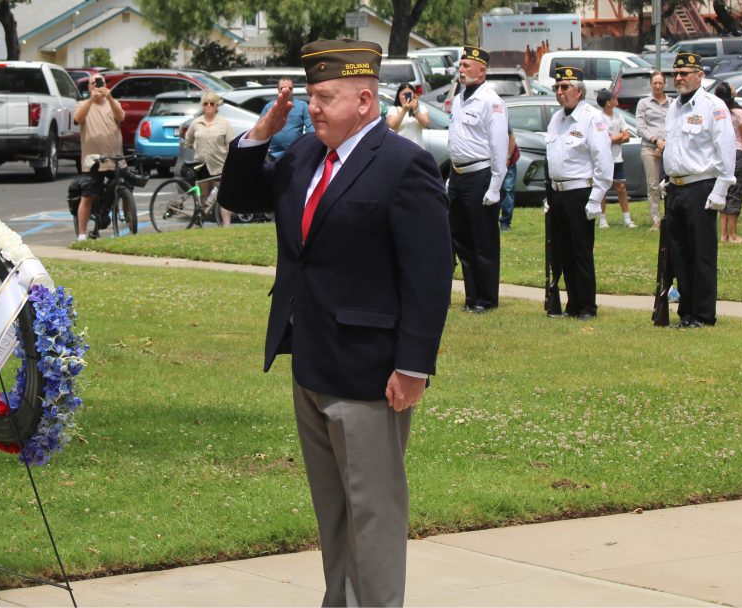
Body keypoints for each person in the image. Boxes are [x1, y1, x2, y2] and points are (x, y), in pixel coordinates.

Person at [218, 40, 452, 607]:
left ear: (365, 99)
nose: (312, 108)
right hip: (312, 361)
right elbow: (239, 194)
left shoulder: (403, 165)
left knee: (373, 513)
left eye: (324, 97)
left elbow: (429, 273)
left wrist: (413, 365)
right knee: (334, 512)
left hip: (371, 373)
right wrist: (261, 132)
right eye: (309, 97)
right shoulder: (302, 156)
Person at [662, 52, 736, 327]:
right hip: (677, 187)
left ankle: (704, 315)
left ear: (700, 75)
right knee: (680, 254)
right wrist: (667, 177)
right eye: (676, 73)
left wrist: (720, 189)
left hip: (701, 187)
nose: (679, 78)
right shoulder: (673, 107)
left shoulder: (712, 106)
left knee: (701, 254)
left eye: (685, 73)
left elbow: (726, 150)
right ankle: (687, 312)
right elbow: (674, 146)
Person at [544, 66, 613, 319]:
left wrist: (596, 198)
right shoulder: (556, 119)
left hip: (580, 192)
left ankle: (586, 306)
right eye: (557, 88)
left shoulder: (591, 119)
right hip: (558, 193)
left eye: (565, 87)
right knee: (562, 252)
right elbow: (552, 158)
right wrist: (550, 196)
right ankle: (572, 305)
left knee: (581, 252)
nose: (560, 93)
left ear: (579, 91)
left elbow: (603, 163)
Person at [447, 45, 508, 313]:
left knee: (483, 241)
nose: (461, 70)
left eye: (466, 66)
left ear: (482, 70)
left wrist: (495, 185)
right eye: (460, 66)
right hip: (458, 176)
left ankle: (487, 298)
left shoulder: (491, 101)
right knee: (462, 241)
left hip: (480, 176)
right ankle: (471, 297)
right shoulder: (460, 98)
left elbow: (498, 146)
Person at [73, 73, 124, 241]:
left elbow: (121, 117)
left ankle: (129, 225)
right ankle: (81, 234)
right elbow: (77, 118)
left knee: (125, 188)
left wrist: (109, 98)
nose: (96, 86)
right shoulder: (82, 104)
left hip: (115, 158)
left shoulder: (113, 103)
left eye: (99, 83)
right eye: (93, 83)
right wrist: (91, 100)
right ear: (89, 87)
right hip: (92, 161)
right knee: (87, 195)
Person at [712, 82, 742, 244]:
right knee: (736, 194)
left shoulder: (716, 112)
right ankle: (733, 235)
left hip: (721, 155)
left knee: (724, 192)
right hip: (738, 154)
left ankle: (723, 235)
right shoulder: (739, 113)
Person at [184, 90, 233, 227]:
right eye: (206, 104)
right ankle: (200, 222)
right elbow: (188, 140)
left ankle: (227, 226)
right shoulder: (196, 123)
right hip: (201, 165)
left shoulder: (224, 123)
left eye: (212, 103)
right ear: (202, 106)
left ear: (217, 106)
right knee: (203, 196)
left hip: (219, 165)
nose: (209, 106)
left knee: (224, 196)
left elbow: (231, 144)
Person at [595, 89, 635, 229]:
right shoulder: (598, 118)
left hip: (617, 158)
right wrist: (617, 137)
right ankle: (602, 219)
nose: (616, 99)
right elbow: (602, 139)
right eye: (614, 98)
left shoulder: (618, 116)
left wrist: (614, 138)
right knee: (603, 189)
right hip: (604, 159)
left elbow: (627, 135)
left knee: (621, 187)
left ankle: (627, 219)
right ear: (608, 102)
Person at [635, 70, 671, 230]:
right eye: (655, 83)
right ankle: (656, 220)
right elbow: (641, 128)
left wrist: (665, 144)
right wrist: (656, 142)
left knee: (672, 184)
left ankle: (671, 217)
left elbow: (675, 125)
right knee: (653, 185)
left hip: (668, 147)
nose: (657, 86)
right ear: (651, 84)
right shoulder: (643, 103)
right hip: (650, 147)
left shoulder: (673, 102)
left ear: (665, 84)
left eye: (660, 83)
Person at [261, 77, 314, 159]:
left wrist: (310, 145)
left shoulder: (302, 106)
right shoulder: (270, 107)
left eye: (290, 88)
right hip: (273, 155)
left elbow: (311, 127)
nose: (287, 91)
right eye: (283, 88)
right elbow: (261, 127)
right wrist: (263, 146)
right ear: (278, 89)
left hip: (295, 154)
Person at [385, 82, 430, 149]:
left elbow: (426, 124)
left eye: (409, 94)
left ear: (414, 95)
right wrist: (404, 110)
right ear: (398, 96)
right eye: (404, 94)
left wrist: (416, 109)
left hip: (418, 149)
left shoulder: (421, 108)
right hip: (401, 149)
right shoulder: (393, 109)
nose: (407, 96)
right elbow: (392, 125)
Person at [499, 131, 519, 232]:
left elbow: (512, 138)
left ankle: (505, 223)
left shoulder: (502, 116)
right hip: (491, 160)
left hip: (507, 161)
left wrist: (507, 158)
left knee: (507, 189)